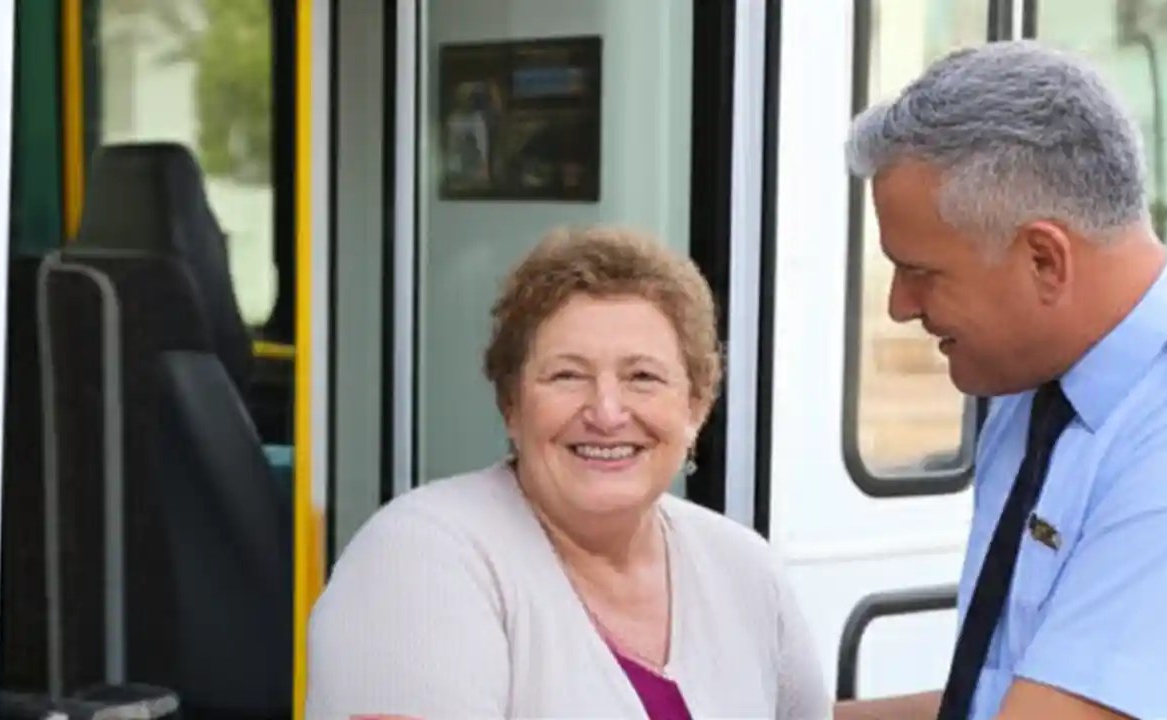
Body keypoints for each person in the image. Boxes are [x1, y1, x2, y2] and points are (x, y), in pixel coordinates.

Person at [840, 39, 1167, 720]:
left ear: (1045, 259)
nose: (900, 306)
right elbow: (996, 696)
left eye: (921, 272)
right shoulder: (1041, 390)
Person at [304, 226, 830, 720]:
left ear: (696, 406)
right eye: (567, 376)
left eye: (642, 377)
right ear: (511, 404)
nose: (606, 412)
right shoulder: (416, 560)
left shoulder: (745, 569)